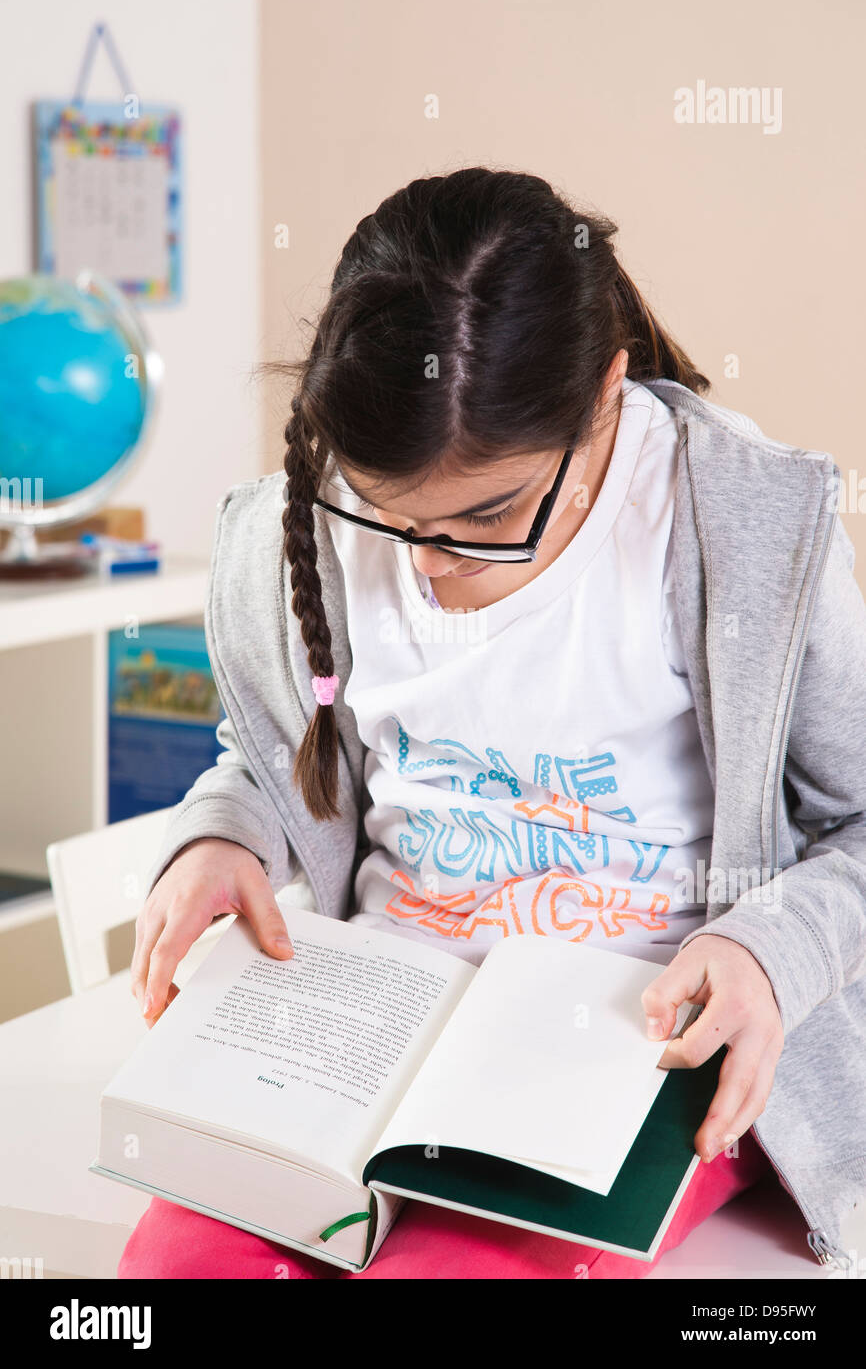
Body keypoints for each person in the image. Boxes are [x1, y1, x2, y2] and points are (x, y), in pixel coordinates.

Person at [119, 168, 866, 1279]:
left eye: (486, 515)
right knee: (176, 1271)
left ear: (605, 393)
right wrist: (226, 832)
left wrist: (764, 950)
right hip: (375, 1024)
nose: (428, 563)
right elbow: (273, 759)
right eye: (390, 514)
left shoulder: (740, 530)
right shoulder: (305, 532)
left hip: (634, 1040)